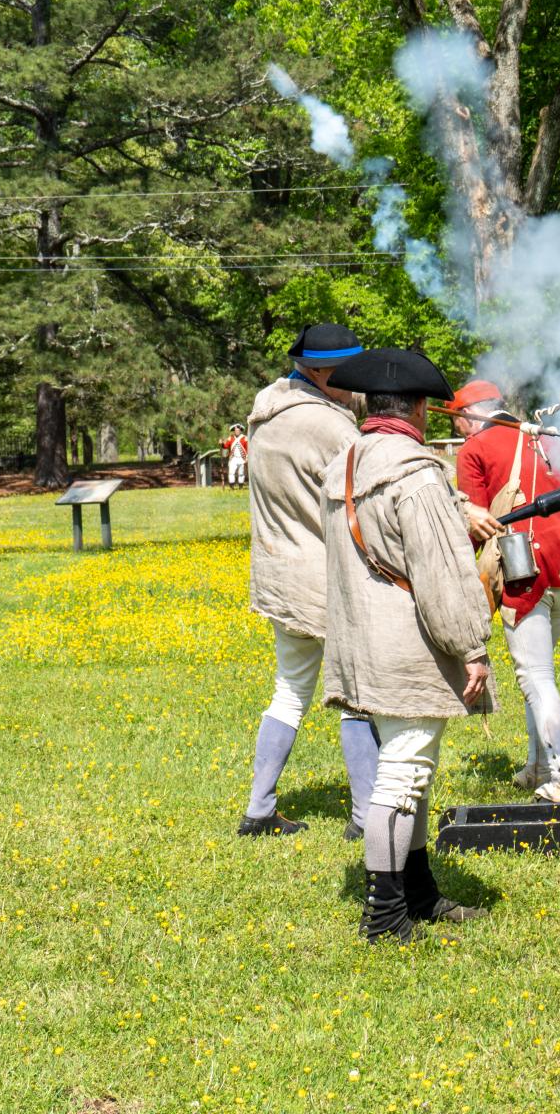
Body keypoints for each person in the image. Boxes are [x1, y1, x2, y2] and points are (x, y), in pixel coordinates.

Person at [319, 348, 496, 943]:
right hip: (407, 644)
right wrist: (472, 647)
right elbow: (441, 574)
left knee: (411, 771)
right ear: (418, 409)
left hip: (361, 639)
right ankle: (384, 914)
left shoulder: (347, 463)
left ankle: (417, 893)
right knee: (401, 776)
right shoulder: (415, 474)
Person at [239, 323, 380, 839]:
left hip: (280, 576)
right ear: (325, 375)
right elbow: (372, 497)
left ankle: (259, 810)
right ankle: (366, 818)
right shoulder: (331, 429)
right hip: (327, 580)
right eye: (351, 376)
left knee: (289, 693)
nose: (359, 388)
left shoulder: (266, 412)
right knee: (357, 697)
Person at [451, 378, 560, 804]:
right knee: (539, 673)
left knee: (536, 676)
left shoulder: (474, 449)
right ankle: (539, 766)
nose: (459, 431)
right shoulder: (547, 438)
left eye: (458, 422)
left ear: (471, 414)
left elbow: (474, 525)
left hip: (524, 570)